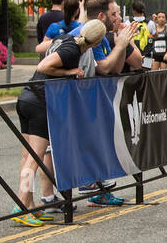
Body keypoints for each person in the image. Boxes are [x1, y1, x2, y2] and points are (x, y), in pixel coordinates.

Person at [12, 20, 108, 226]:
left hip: (27, 96)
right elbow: (43, 66)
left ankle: (27, 206)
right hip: (39, 101)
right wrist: (69, 72)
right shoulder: (73, 50)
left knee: (27, 155)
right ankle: (21, 207)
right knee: (35, 158)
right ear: (98, 41)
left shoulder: (65, 39)